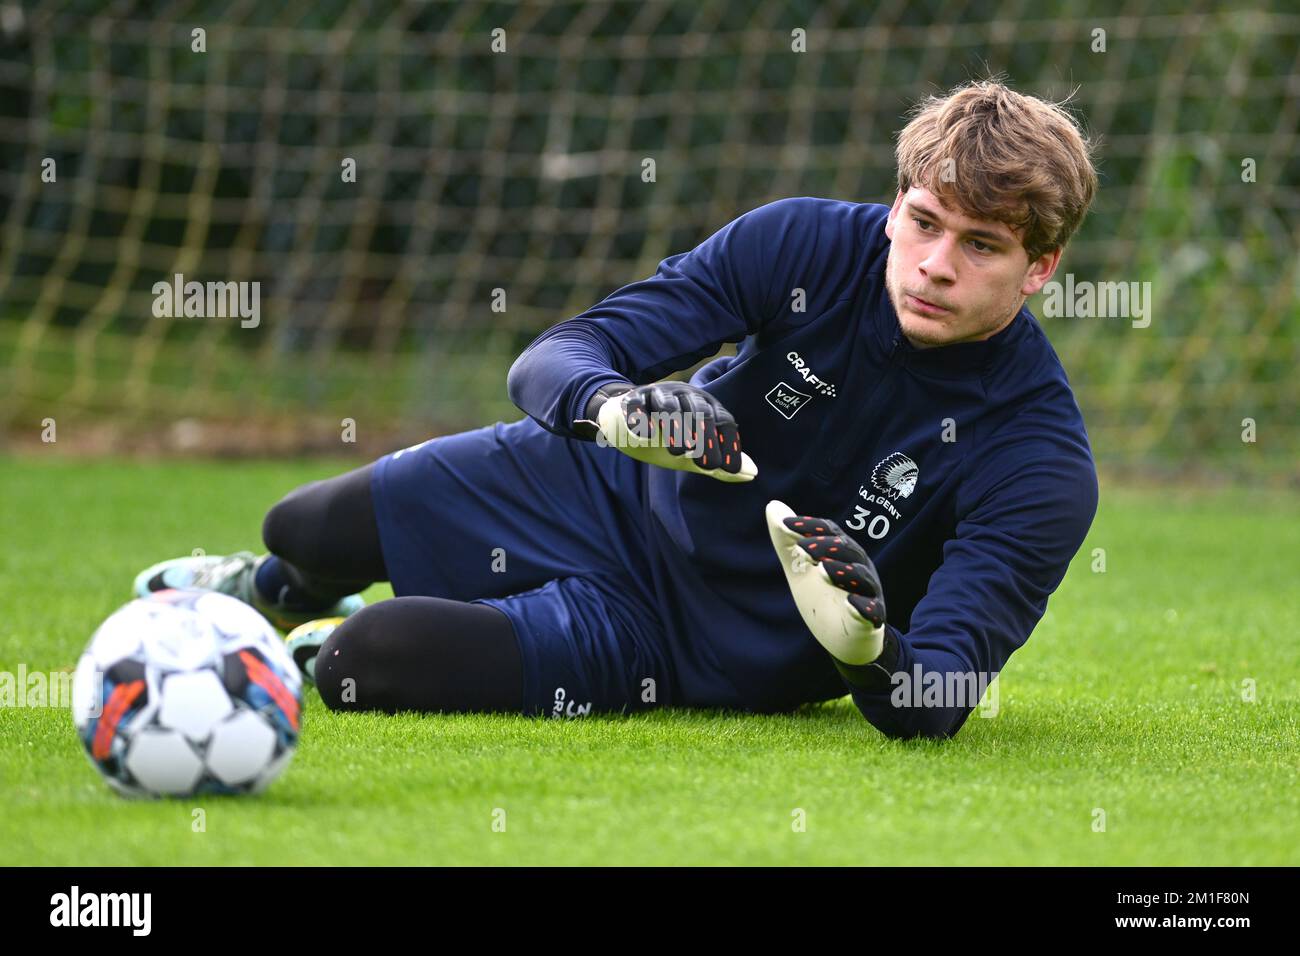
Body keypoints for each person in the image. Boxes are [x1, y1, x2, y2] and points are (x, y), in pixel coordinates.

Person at [135, 79, 1099, 739]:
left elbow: (930, 704)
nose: (935, 264)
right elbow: (555, 357)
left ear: (1040, 270)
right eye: (924, 224)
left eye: (981, 246)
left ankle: (311, 642)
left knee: (362, 664)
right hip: (601, 486)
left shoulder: (1040, 457)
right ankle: (277, 590)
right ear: (896, 206)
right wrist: (616, 412)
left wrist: (864, 648)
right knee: (304, 523)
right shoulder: (804, 244)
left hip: (682, 643)